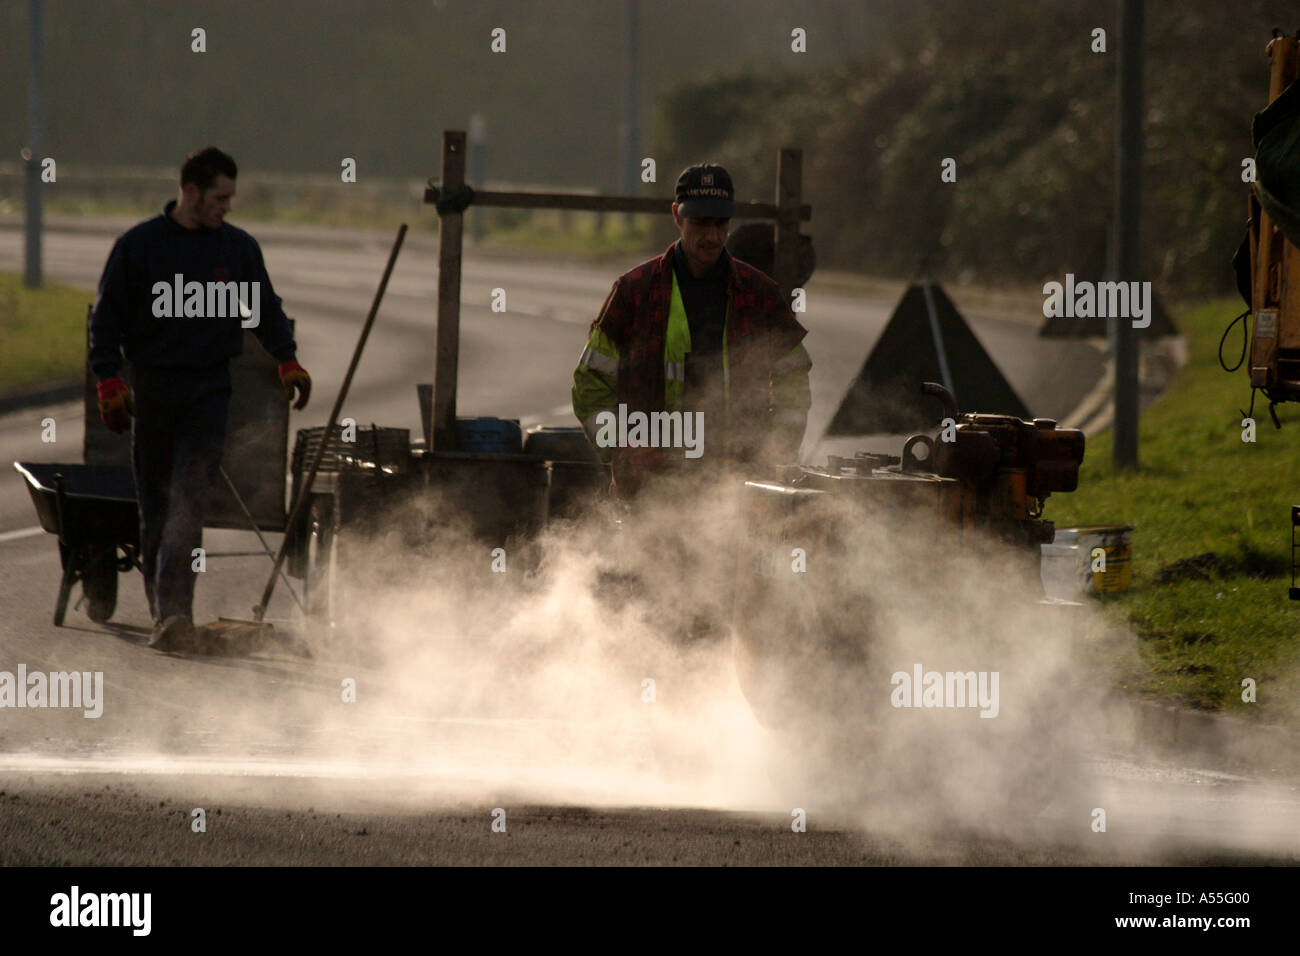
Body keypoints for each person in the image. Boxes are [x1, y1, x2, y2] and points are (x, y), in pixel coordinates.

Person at [89, 146, 312, 650]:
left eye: (230, 198)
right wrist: (108, 382)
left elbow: (265, 313)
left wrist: (287, 360)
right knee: (156, 511)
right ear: (190, 192)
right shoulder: (139, 248)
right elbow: (105, 322)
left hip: (208, 397)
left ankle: (175, 616)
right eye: (220, 197)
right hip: (154, 395)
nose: (226, 207)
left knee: (188, 505)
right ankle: (165, 616)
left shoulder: (237, 251)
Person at [572, 163, 812, 498]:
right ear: (676, 216)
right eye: (701, 223)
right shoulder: (634, 293)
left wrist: (776, 454)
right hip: (648, 491)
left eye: (721, 223)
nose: (713, 236)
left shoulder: (759, 294)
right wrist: (624, 448)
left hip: (739, 492)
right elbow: (591, 382)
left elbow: (793, 378)